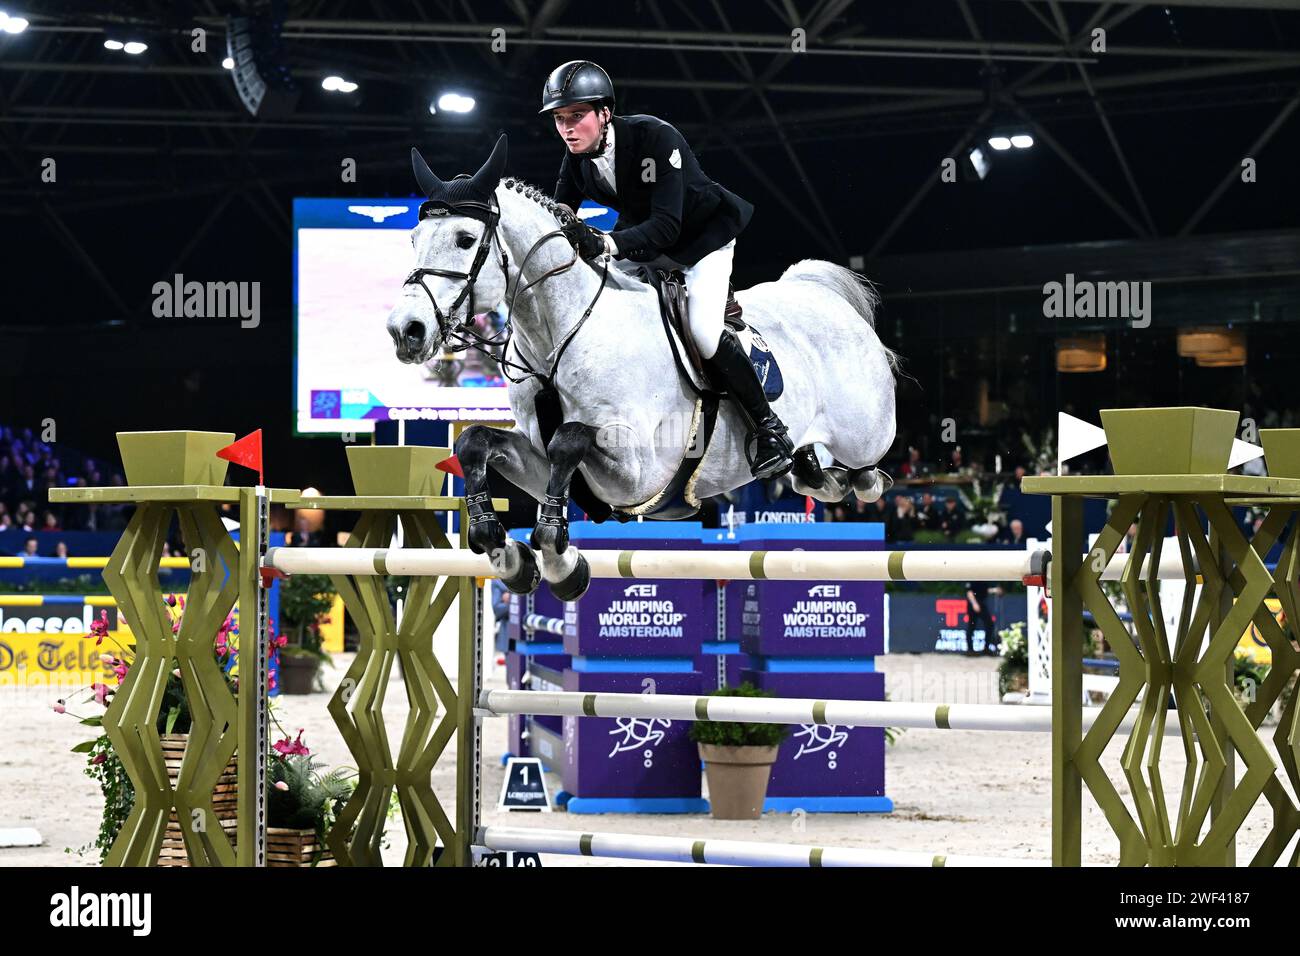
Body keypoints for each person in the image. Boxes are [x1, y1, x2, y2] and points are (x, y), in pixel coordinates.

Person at [541, 60, 793, 480]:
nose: (567, 127)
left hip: (699, 240)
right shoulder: (576, 157)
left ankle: (769, 428)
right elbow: (562, 213)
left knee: (703, 333)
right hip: (642, 240)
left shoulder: (656, 137)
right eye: (560, 119)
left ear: (605, 113)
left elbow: (668, 226)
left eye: (577, 116)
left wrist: (603, 242)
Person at [964, 580, 994, 655]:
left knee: (989, 624)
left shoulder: (984, 576)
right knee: (971, 627)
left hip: (982, 603)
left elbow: (984, 589)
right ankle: (970, 650)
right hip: (973, 604)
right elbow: (969, 591)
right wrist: (974, 603)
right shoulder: (972, 576)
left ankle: (986, 648)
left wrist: (995, 590)